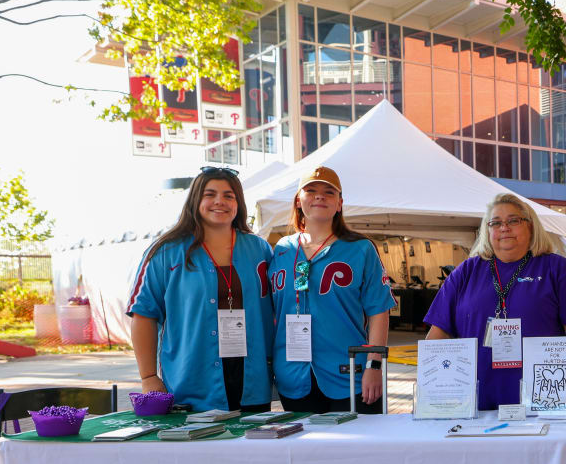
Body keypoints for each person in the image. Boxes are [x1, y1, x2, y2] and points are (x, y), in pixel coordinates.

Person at [423, 193, 566, 410]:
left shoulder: (560, 271)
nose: (504, 228)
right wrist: (433, 393)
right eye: (496, 223)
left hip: (541, 404)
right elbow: (438, 335)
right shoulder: (465, 272)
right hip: (472, 404)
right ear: (487, 230)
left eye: (513, 220)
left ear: (531, 226)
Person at [129, 167, 275, 413]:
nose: (220, 201)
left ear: (238, 203)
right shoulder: (165, 252)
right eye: (210, 194)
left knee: (252, 450)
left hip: (253, 380)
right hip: (191, 382)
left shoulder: (260, 250)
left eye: (229, 195)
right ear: (195, 200)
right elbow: (143, 314)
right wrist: (148, 377)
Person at [269, 166, 393, 414]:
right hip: (293, 375)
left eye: (329, 192)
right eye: (311, 190)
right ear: (298, 201)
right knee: (303, 450)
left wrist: (374, 366)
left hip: (350, 376)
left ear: (340, 204)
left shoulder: (360, 249)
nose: (319, 196)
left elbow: (379, 311)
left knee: (357, 450)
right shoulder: (281, 249)